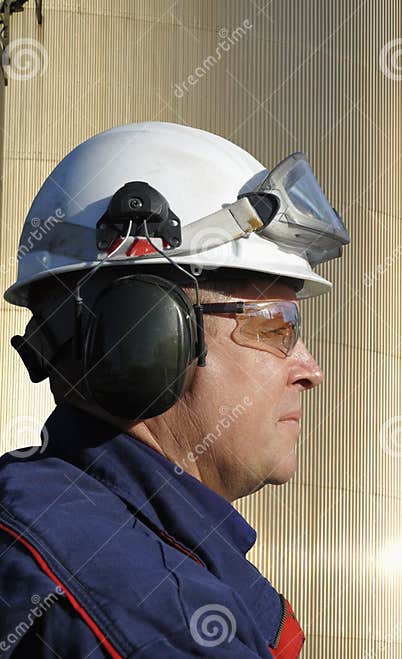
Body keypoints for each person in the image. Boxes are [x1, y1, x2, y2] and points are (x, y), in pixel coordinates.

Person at [0, 121, 350, 657]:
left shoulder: (134, 548)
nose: (309, 369)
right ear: (147, 334)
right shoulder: (130, 607)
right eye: (277, 326)